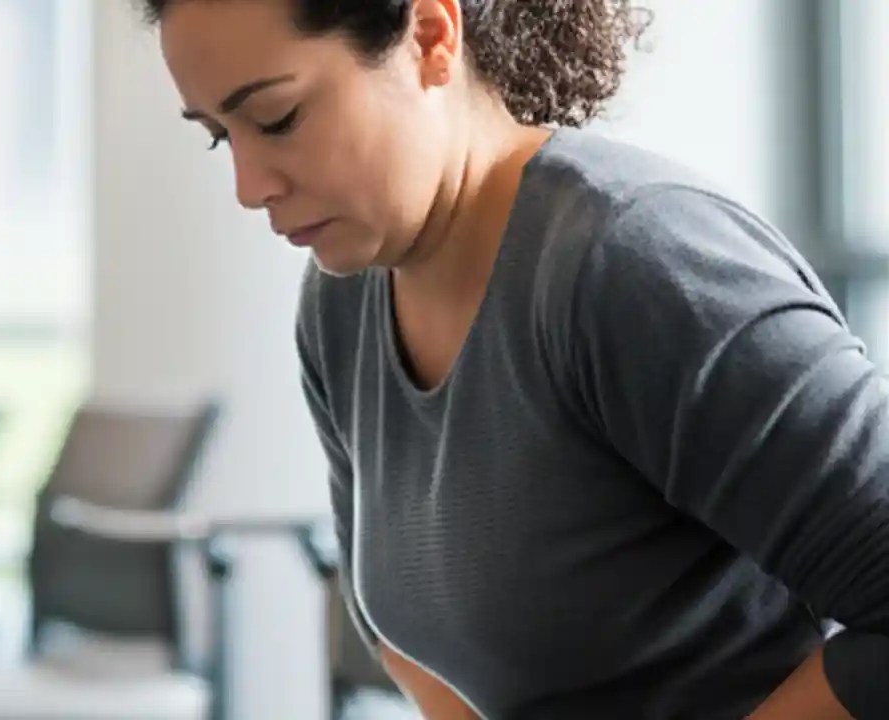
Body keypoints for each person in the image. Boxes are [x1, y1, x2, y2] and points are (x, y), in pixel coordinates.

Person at [138, 1, 889, 718]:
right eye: (220, 136)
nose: (249, 187)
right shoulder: (341, 305)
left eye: (278, 118)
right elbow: (393, 631)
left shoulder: (634, 262)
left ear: (429, 36)